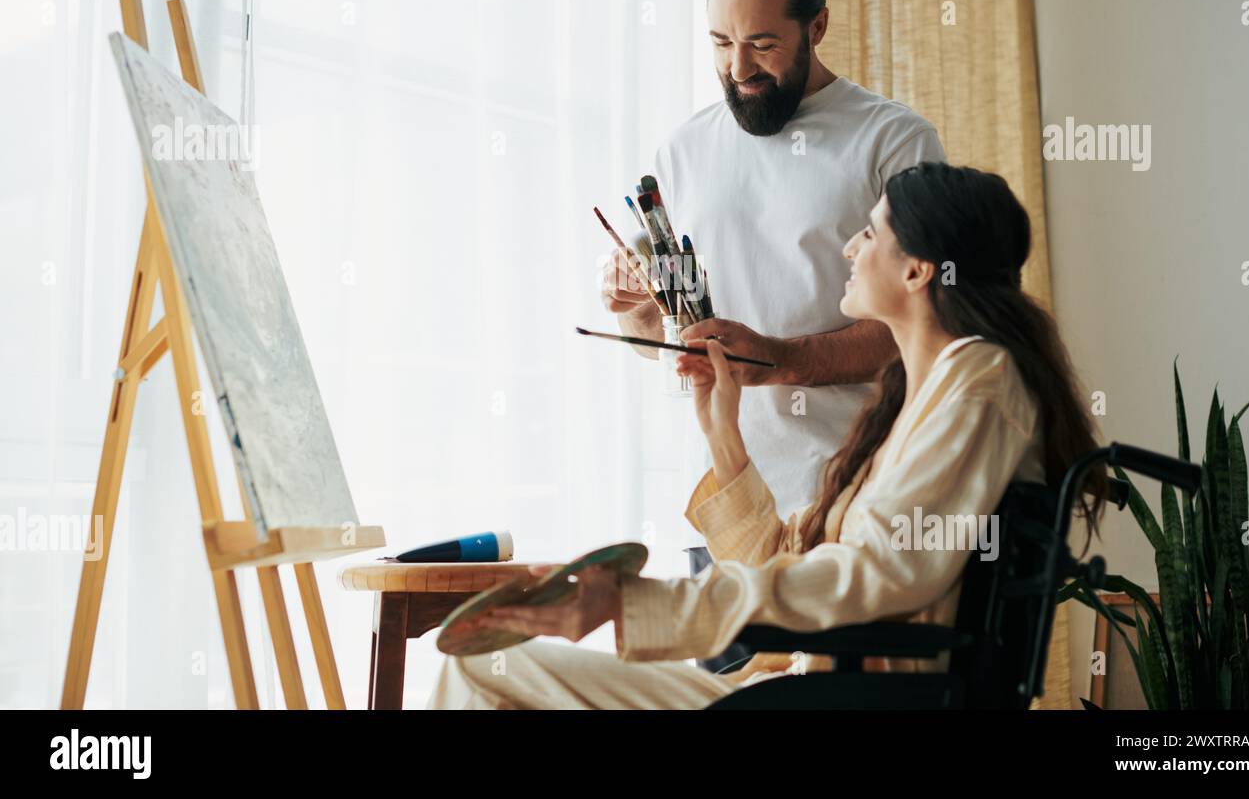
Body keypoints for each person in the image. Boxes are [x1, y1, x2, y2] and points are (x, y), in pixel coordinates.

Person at [429, 163, 1105, 709]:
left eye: (869, 235)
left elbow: (880, 572)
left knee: (487, 672)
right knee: (491, 665)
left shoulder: (978, 383)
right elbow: (795, 554)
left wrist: (634, 604)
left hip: (842, 699)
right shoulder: (914, 398)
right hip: (790, 685)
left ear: (917, 270)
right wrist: (723, 431)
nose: (850, 247)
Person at [600, 0, 946, 670]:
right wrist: (629, 303)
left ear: (816, 27)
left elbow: (920, 324)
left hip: (855, 511)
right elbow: (658, 332)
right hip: (728, 509)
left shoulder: (893, 139)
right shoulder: (684, 152)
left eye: (762, 43)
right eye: (721, 42)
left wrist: (781, 360)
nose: (738, 68)